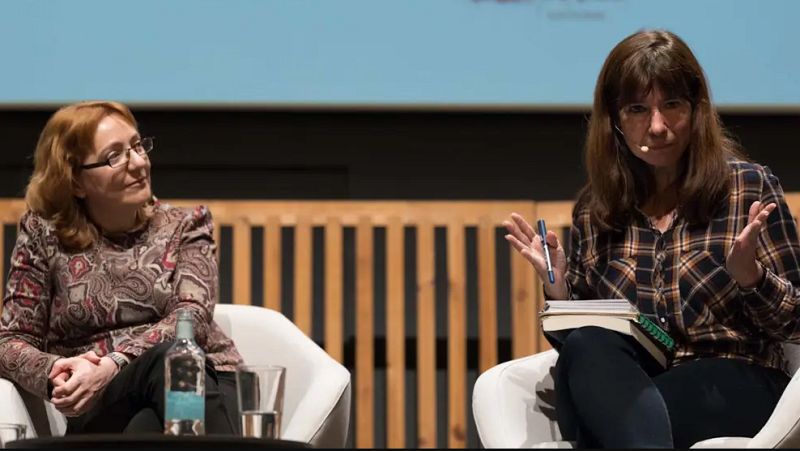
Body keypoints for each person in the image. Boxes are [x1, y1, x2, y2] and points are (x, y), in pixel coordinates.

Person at [504, 29, 798, 448]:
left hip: (734, 376)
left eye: (672, 105)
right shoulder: (597, 207)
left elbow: (797, 324)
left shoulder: (747, 188)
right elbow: (582, 345)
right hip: (633, 381)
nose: (658, 126)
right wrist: (558, 286)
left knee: (611, 415)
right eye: (639, 109)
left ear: (697, 109)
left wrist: (752, 277)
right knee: (589, 347)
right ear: (615, 120)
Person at [0, 101, 244, 434]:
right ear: (75, 182)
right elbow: (11, 340)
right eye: (115, 156)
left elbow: (191, 317)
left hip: (205, 379)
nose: (139, 163)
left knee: (153, 407)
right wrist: (57, 368)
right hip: (102, 397)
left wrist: (113, 363)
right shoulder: (44, 234)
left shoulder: (186, 225)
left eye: (138, 146)